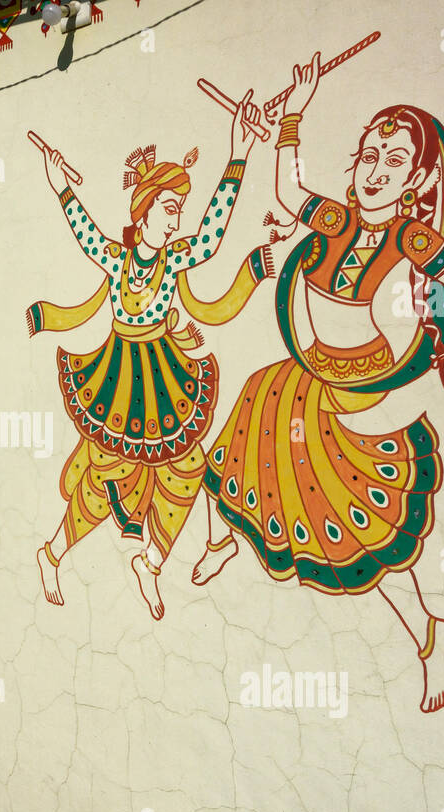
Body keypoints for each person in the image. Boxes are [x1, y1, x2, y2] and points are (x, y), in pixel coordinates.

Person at [191, 54, 444, 711]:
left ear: (417, 177)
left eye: (393, 161)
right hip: (302, 383)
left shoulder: (413, 240)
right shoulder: (334, 221)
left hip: (365, 403)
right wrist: (294, 115)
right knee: (232, 460)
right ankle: (225, 536)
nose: (375, 171)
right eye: (369, 155)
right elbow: (288, 193)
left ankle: (429, 637)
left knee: (369, 541)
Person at [28, 93, 272, 620]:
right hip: (118, 380)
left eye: (179, 210)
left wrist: (239, 155)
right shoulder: (118, 260)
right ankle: (52, 554)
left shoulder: (176, 258)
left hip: (164, 377)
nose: (176, 218)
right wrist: (61, 187)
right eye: (169, 208)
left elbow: (210, 237)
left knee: (188, 467)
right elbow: (86, 235)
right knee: (102, 471)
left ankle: (152, 562)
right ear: (144, 212)